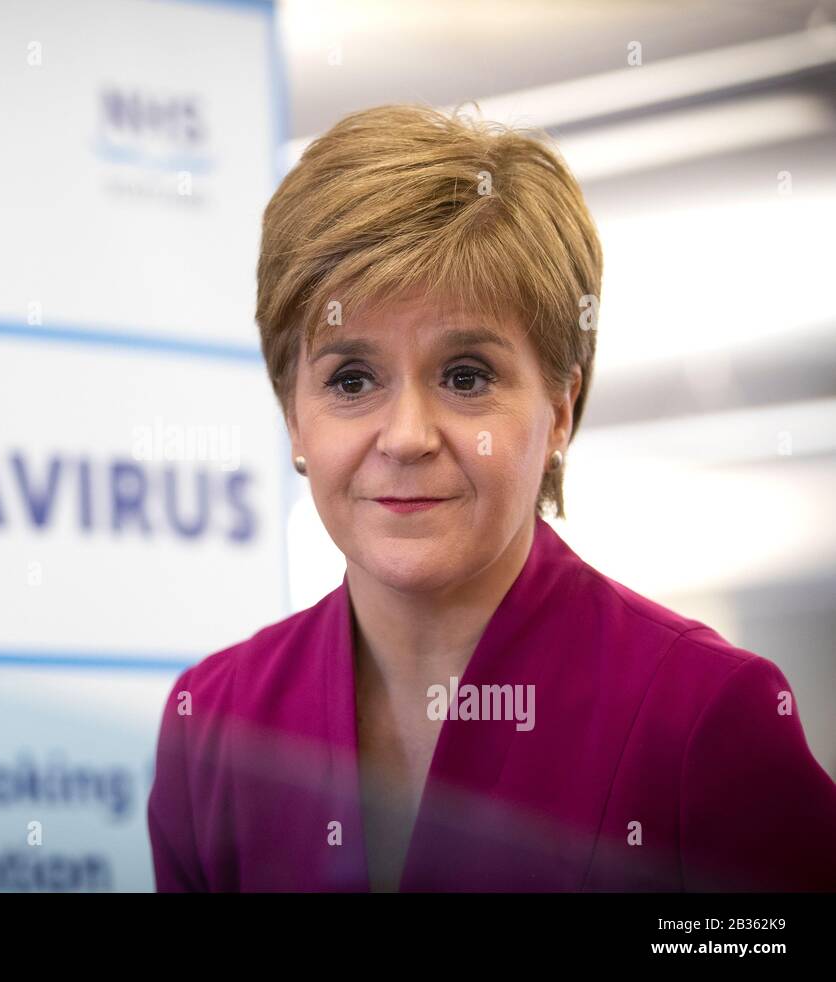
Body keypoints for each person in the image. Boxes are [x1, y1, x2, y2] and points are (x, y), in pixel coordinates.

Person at [146, 103, 836, 892]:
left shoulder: (704, 715)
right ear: (292, 415)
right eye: (351, 380)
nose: (406, 436)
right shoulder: (215, 726)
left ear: (560, 410)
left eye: (466, 376)